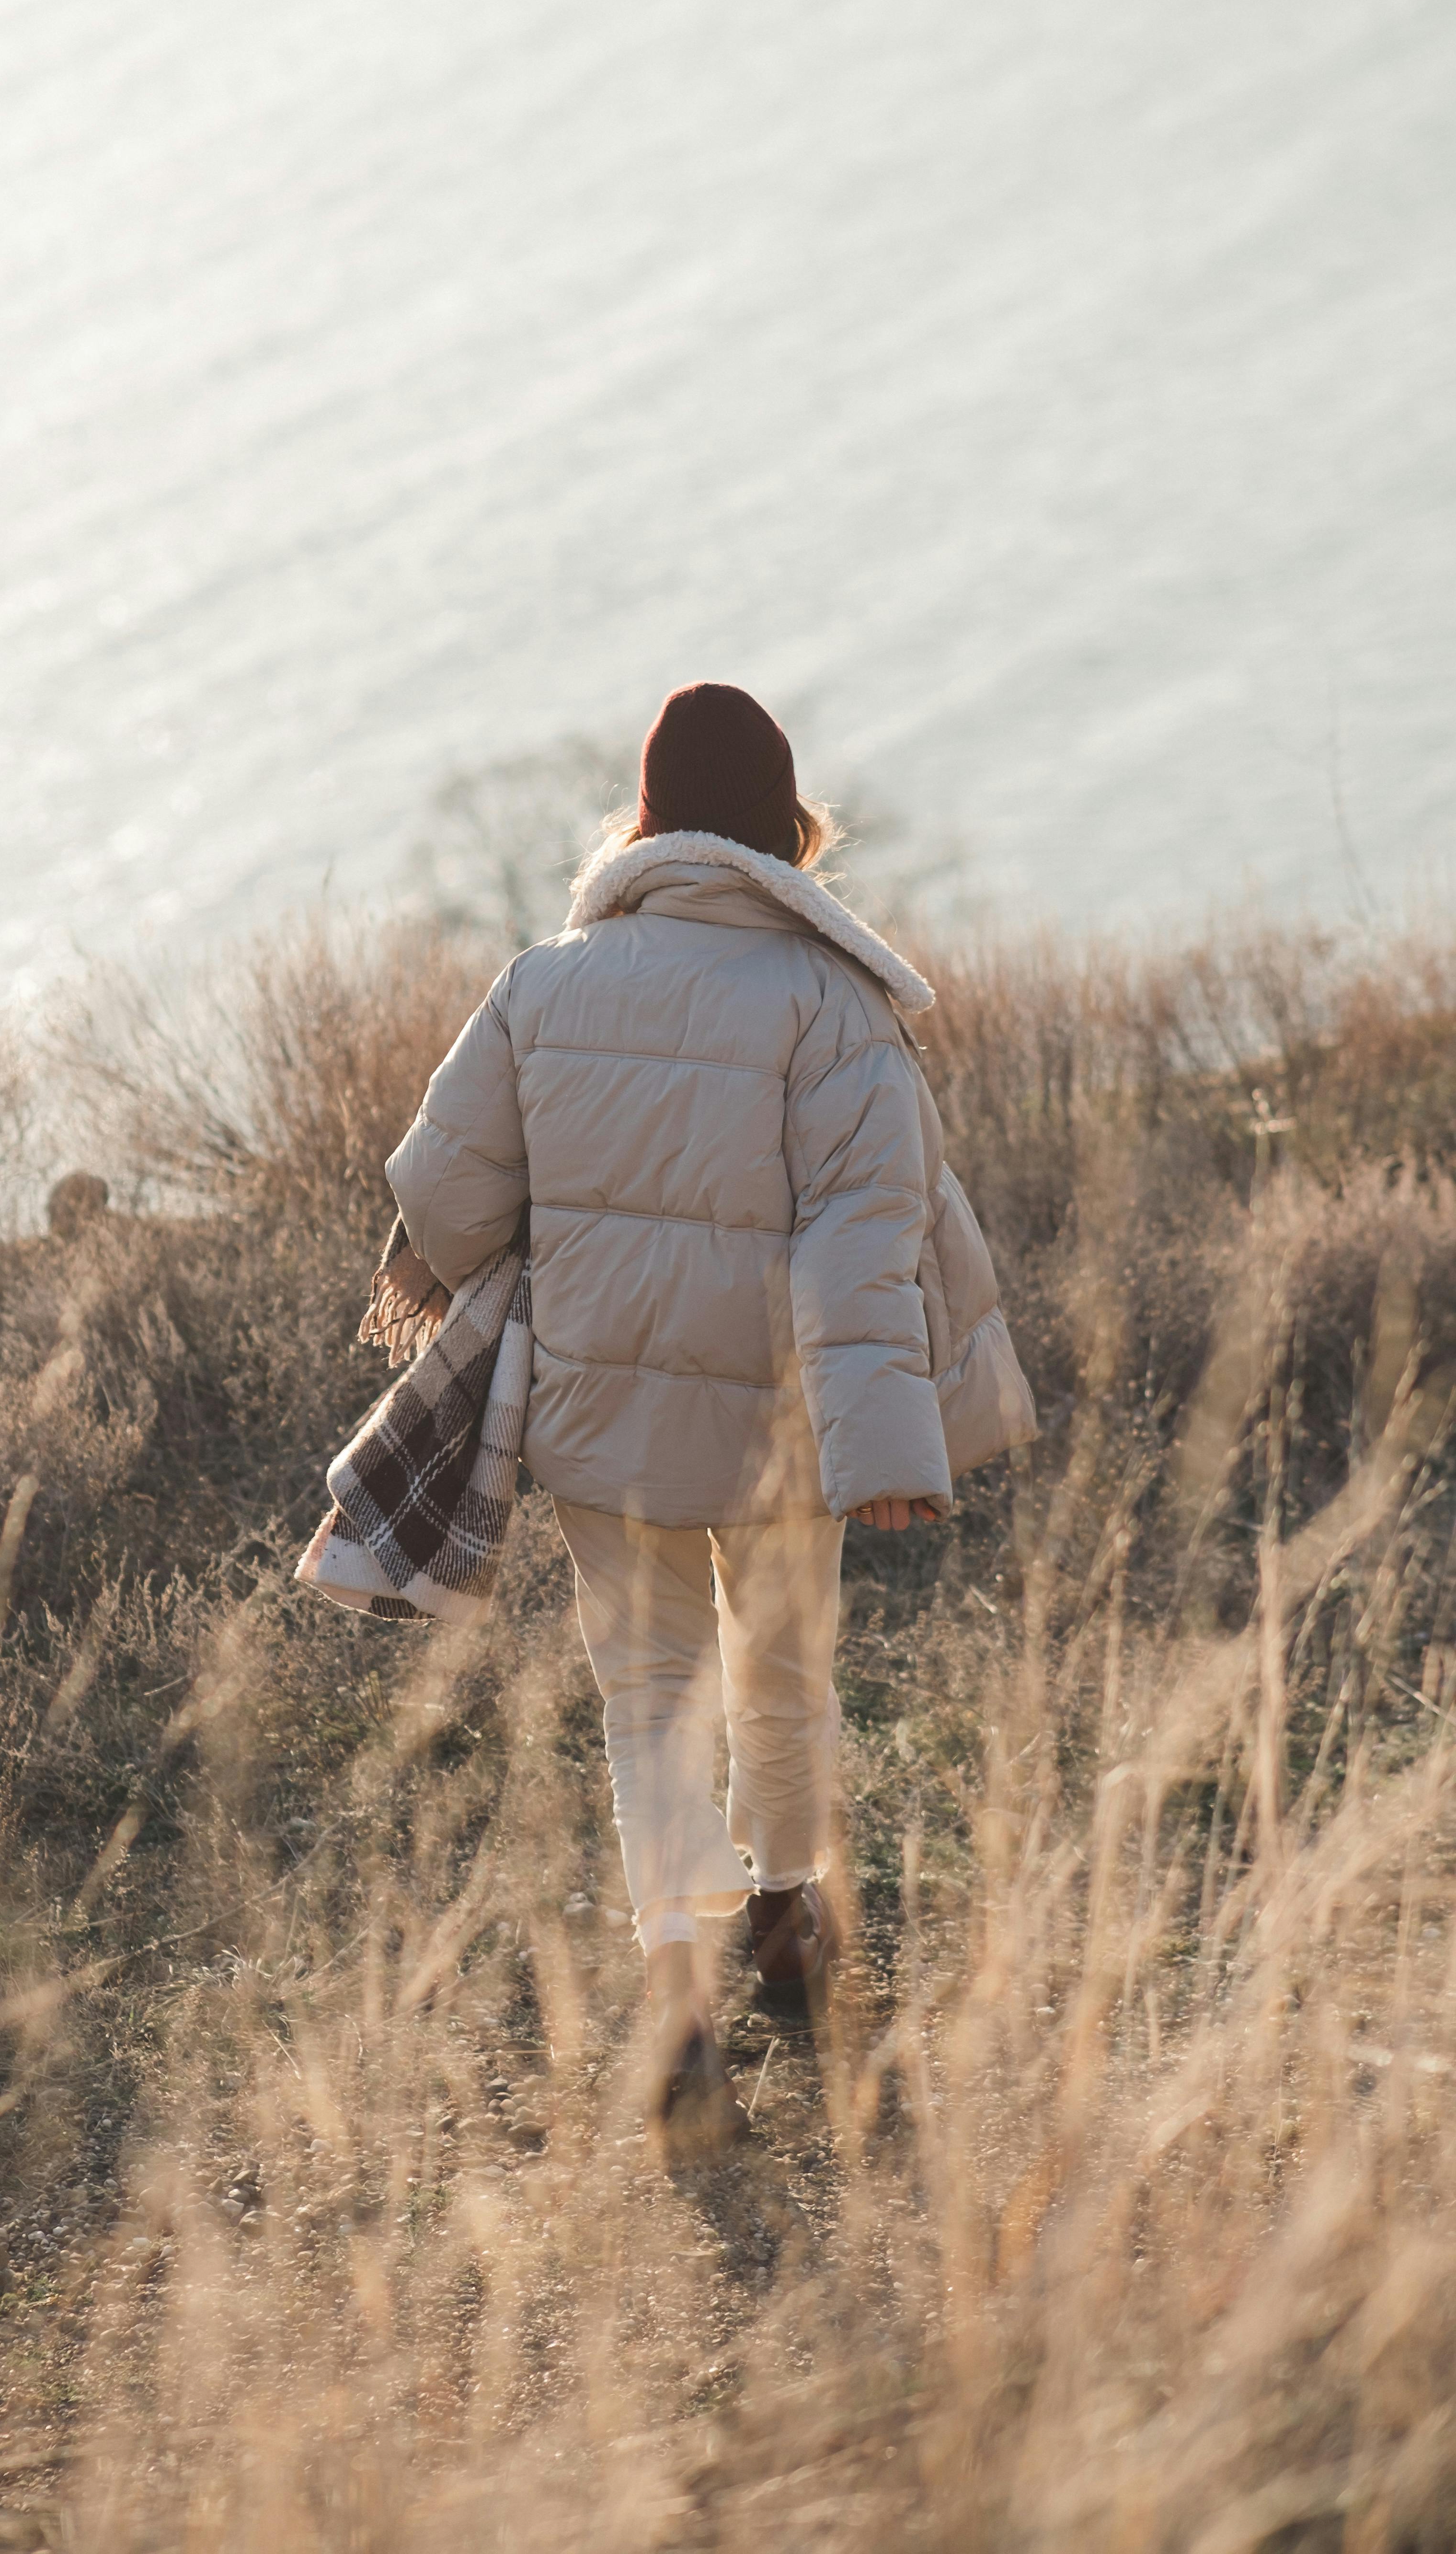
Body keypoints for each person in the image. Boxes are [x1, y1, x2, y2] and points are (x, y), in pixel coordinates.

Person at [384, 681, 1034, 2148]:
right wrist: (884, 1448)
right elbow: (864, 1237)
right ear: (786, 829)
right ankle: (791, 1930)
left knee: (650, 1706)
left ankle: (681, 2017)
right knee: (784, 1683)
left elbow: (444, 1199)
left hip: (596, 1423)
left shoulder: (540, 985)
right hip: (781, 1431)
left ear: (649, 822)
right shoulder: (833, 1002)